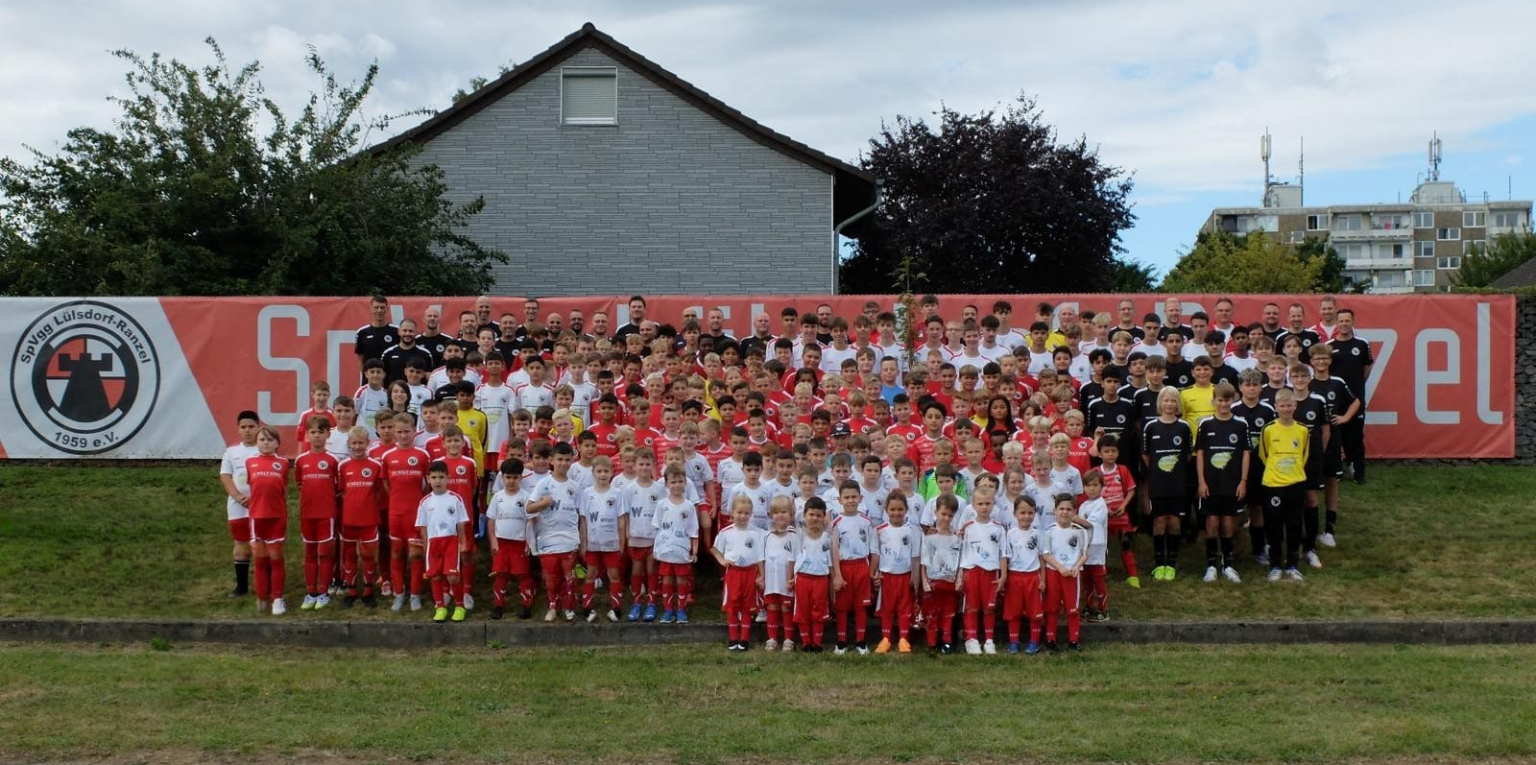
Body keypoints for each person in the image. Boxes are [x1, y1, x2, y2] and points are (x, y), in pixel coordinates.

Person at [1195, 382, 1249, 584]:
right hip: (1210, 483)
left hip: (1232, 482)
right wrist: (1201, 481)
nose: (1224, 403)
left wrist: (1243, 481)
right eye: (1220, 400)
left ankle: (1228, 564)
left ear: (1233, 400)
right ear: (1214, 401)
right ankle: (1211, 565)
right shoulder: (1205, 424)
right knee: (1212, 522)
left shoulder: (1240, 424)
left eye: (1227, 400)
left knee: (1228, 523)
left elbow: (1245, 454)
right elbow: (1200, 454)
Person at [1308, 344, 1359, 547]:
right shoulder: (1307, 383)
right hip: (1311, 440)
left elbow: (1355, 402)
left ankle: (1329, 528)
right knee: (1310, 485)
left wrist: (1345, 417)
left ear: (1330, 361)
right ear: (1311, 361)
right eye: (1317, 359)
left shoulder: (1337, 382)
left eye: (1324, 359)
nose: (1320, 362)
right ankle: (1309, 526)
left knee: (1331, 481)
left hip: (1333, 439)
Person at [527, 442, 583, 622]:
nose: (564, 463)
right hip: (547, 540)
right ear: (552, 460)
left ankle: (568, 607)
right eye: (560, 459)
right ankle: (552, 606)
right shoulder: (544, 484)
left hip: (569, 539)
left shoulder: (575, 486)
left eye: (567, 460)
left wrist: (583, 540)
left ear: (572, 461)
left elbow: (581, 515)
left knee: (569, 577)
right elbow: (529, 508)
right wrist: (543, 504)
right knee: (551, 578)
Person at [382, 412, 430, 612]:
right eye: (399, 432)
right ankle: (399, 593)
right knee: (396, 553)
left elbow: (429, 483)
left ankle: (416, 595)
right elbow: (386, 483)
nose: (403, 435)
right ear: (394, 432)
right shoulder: (387, 456)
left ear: (414, 431)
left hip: (416, 514)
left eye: (407, 432)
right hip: (395, 513)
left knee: (416, 555)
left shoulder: (422, 455)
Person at [1259, 389, 1309, 581]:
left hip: (1295, 483)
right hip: (1273, 484)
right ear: (1276, 407)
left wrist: (1293, 472)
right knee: (1273, 526)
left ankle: (1292, 565)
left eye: (1290, 405)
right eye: (1282, 406)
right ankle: (1275, 565)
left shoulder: (1302, 430)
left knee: (1295, 524)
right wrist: (1277, 472)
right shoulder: (1269, 429)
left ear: (1295, 406)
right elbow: (1264, 455)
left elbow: (1304, 456)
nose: (1286, 409)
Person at [1142, 387, 1191, 581]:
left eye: (1173, 401)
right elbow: (1146, 455)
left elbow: (1187, 456)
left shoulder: (1184, 427)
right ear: (1160, 403)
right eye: (1166, 400)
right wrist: (1158, 470)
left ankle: (1171, 564)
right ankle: (1159, 564)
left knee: (1174, 522)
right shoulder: (1151, 427)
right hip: (1158, 483)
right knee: (1159, 521)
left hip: (1177, 483)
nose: (1169, 404)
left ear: (1177, 404)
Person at [416, 461, 471, 623]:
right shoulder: (425, 501)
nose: (438, 481)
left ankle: (460, 606)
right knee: (435, 576)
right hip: (433, 543)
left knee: (453, 576)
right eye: (434, 477)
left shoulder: (455, 499)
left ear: (448, 478)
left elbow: (461, 522)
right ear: (428, 479)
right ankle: (440, 606)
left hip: (451, 542)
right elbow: (423, 527)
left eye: (441, 477)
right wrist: (426, 546)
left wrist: (463, 542)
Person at [245, 425, 291, 615]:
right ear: (257, 443)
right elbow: (253, 488)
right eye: (262, 440)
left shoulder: (283, 463)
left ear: (277, 443)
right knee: (260, 559)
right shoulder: (250, 462)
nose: (266, 443)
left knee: (276, 557)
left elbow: (284, 489)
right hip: (257, 517)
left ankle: (277, 598)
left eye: (270, 440)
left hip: (277, 517)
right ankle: (262, 597)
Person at [295, 417, 340, 611]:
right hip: (307, 513)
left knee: (325, 552)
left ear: (328, 435)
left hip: (327, 513)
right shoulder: (300, 460)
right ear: (307, 435)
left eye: (320, 432)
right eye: (312, 432)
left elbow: (338, 486)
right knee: (310, 552)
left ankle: (323, 592)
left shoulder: (333, 460)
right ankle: (310, 591)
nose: (316, 436)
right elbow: (299, 484)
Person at [337, 425, 385, 608]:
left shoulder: (375, 465)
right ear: (349, 444)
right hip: (349, 518)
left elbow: (380, 491)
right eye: (354, 443)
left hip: (369, 518)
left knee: (368, 555)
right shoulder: (343, 466)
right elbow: (341, 492)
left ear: (367, 443)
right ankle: (350, 590)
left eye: (361, 443)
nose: (357, 447)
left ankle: (367, 590)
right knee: (348, 553)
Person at [578, 456, 630, 623]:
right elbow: (584, 520)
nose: (602, 474)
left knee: (613, 574)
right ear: (593, 473)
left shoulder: (617, 493)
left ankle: (616, 608)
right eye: (599, 471)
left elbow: (622, 520)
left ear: (612, 472)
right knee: (591, 574)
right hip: (593, 544)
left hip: (611, 543)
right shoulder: (586, 493)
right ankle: (587, 607)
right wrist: (584, 543)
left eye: (606, 471)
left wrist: (621, 542)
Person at [712, 494, 765, 651]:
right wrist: (722, 561)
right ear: (732, 513)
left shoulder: (756, 533)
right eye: (739, 513)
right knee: (733, 605)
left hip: (750, 573)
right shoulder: (726, 532)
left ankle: (744, 639)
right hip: (734, 573)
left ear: (751, 514)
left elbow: (759, 556)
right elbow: (715, 549)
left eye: (746, 513)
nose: (742, 516)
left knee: (747, 606)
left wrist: (761, 575)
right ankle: (733, 638)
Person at [830, 479, 877, 654]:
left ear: (860, 498)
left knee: (861, 606)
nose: (850, 500)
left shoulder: (866, 522)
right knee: (842, 606)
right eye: (847, 497)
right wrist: (837, 574)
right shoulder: (836, 523)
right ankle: (841, 642)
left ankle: (861, 642)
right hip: (844, 567)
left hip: (861, 566)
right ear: (840, 500)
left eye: (854, 497)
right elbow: (834, 551)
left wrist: (872, 571)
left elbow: (873, 548)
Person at [1326, 308, 1372, 485]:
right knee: (1335, 437)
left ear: (1352, 322)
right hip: (1336, 399)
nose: (1344, 324)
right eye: (1341, 321)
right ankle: (1337, 471)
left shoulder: (1361, 344)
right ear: (1337, 323)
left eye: (1347, 320)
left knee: (1356, 437)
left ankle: (1359, 472)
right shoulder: (1329, 346)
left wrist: (1357, 385)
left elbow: (1366, 368)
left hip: (1356, 399)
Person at [219, 410, 262, 599]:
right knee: (240, 544)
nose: (248, 431)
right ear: (238, 429)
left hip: (260, 505)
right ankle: (242, 587)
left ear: (258, 427)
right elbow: (225, 476)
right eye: (243, 427)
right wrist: (237, 496)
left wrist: (255, 498)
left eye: (251, 427)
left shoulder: (265, 449)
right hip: (237, 506)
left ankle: (265, 585)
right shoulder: (232, 452)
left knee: (261, 544)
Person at [1041, 493, 1091, 652]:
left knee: (1072, 609)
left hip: (1072, 574)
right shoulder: (1048, 531)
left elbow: (1084, 554)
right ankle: (1050, 641)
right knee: (1052, 608)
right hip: (1053, 573)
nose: (1065, 512)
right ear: (1055, 510)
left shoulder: (1080, 531)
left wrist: (1076, 566)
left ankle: (1073, 642)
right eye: (1061, 508)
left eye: (1069, 509)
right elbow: (1046, 554)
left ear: (1074, 511)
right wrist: (1059, 567)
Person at [958, 490, 1005, 655]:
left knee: (989, 608)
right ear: (973, 505)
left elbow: (1003, 554)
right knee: (971, 607)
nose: (984, 507)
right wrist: (959, 576)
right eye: (980, 504)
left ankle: (989, 640)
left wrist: (1003, 576)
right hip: (971, 571)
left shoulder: (999, 528)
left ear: (993, 504)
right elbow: (961, 552)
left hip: (991, 572)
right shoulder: (967, 527)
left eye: (987, 503)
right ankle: (971, 639)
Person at [872, 493, 921, 654]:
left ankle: (903, 639)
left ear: (906, 510)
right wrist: (875, 573)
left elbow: (915, 556)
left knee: (904, 609)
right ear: (886, 510)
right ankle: (886, 639)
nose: (896, 513)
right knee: (887, 608)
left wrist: (915, 577)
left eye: (900, 509)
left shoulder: (913, 530)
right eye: (892, 509)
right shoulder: (879, 530)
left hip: (905, 575)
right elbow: (876, 554)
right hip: (887, 576)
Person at [653, 465, 700, 624]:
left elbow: (693, 530)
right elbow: (658, 527)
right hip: (665, 549)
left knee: (681, 580)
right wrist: (656, 549)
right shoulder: (661, 505)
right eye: (673, 482)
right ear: (666, 484)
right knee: (666, 580)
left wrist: (694, 550)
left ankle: (680, 610)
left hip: (682, 550)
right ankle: (667, 611)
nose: (677, 485)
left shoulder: (689, 506)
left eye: (680, 481)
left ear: (685, 482)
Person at [1002, 496, 1045, 654]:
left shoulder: (1038, 534)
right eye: (1022, 512)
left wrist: (1043, 580)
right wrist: (1004, 578)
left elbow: (1042, 557)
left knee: (1035, 612)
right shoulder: (1010, 534)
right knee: (1013, 612)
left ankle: (1034, 642)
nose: (1026, 516)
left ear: (1034, 514)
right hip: (1014, 577)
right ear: (1015, 514)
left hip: (1033, 577)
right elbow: (1005, 557)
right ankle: (1013, 642)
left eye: (1030, 512)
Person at [921, 495, 963, 654]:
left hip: (950, 582)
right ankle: (932, 642)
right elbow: (924, 561)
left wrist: (959, 579)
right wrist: (925, 581)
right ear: (936, 512)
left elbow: (960, 561)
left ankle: (946, 642)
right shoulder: (929, 536)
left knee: (948, 613)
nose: (946, 518)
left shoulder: (957, 538)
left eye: (950, 515)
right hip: (933, 582)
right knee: (932, 613)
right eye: (943, 514)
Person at [793, 497, 835, 653]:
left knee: (818, 611)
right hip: (803, 578)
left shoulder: (827, 538)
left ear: (824, 517)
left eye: (818, 515)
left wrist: (833, 578)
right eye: (811, 514)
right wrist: (791, 575)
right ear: (804, 515)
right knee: (803, 611)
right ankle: (806, 643)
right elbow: (792, 558)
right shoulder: (798, 535)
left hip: (821, 579)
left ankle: (817, 643)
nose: (815, 518)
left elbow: (830, 561)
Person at [762, 497, 799, 652]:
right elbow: (761, 559)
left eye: (784, 512)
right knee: (772, 607)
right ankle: (772, 639)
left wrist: (793, 578)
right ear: (771, 515)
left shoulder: (794, 536)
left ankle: (789, 640)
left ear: (791, 515)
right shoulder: (767, 536)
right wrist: (761, 576)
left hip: (786, 580)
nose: (780, 515)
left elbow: (796, 559)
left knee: (786, 609)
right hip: (771, 580)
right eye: (776, 512)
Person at [1077, 471, 1111, 622]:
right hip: (1086, 547)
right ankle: (1090, 606)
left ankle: (1103, 609)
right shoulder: (1083, 505)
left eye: (1095, 485)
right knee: (1087, 579)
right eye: (1088, 485)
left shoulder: (1101, 505)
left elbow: (1089, 523)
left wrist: (1072, 518)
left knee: (1098, 579)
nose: (1092, 488)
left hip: (1097, 547)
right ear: (1083, 487)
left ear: (1102, 487)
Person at [354, 295, 398, 384]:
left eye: (382, 307)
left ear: (387, 309)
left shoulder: (396, 331)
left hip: (391, 380)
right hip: (370, 380)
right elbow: (360, 359)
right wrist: (366, 376)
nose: (379, 310)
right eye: (376, 307)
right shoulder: (362, 332)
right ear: (371, 309)